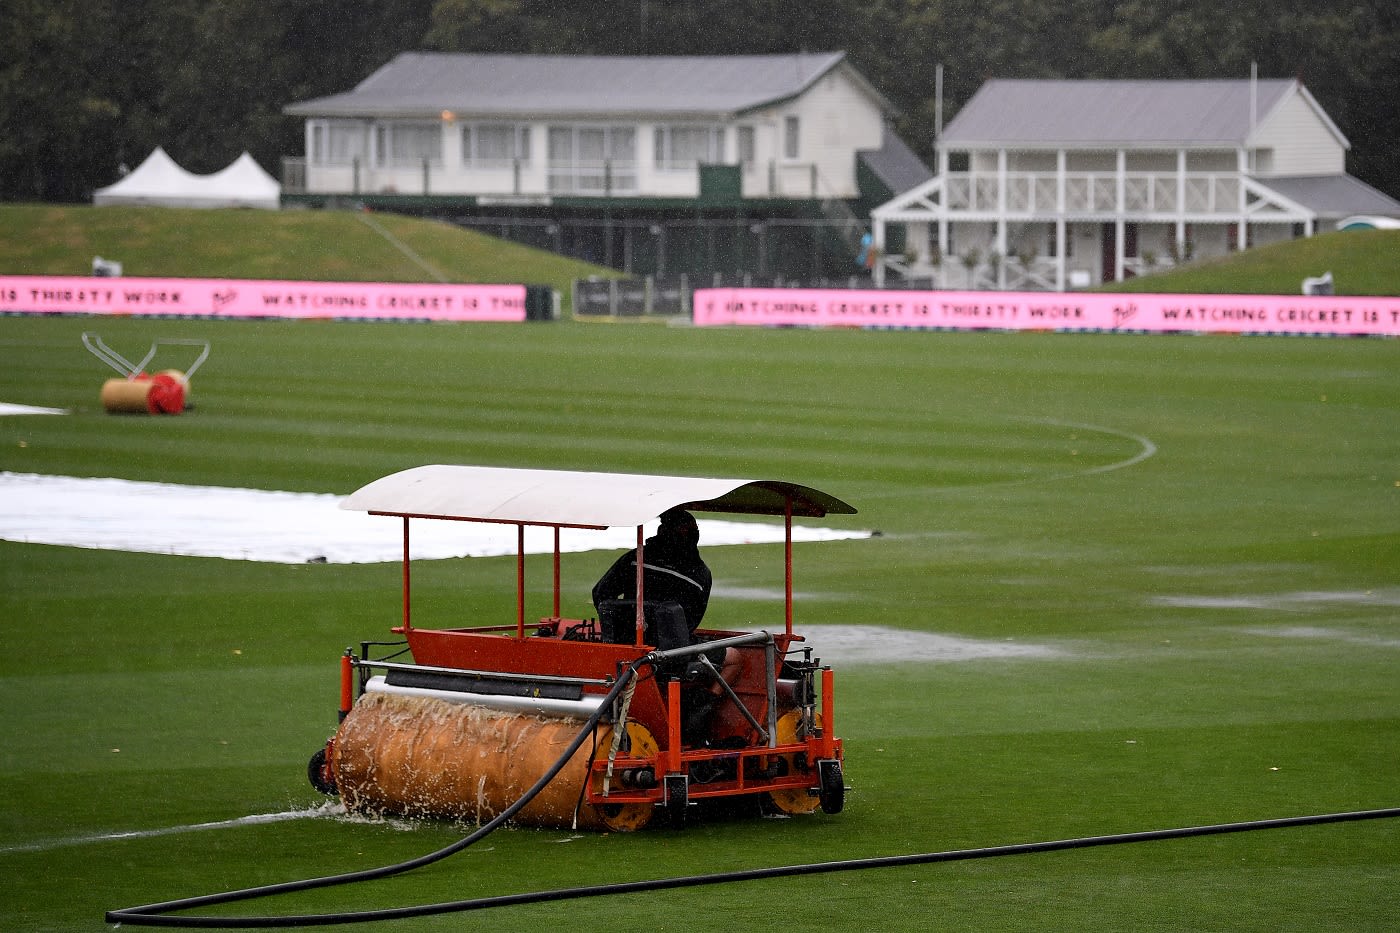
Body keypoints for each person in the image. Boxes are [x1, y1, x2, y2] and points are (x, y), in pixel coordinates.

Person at [592, 508, 711, 638]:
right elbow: (692, 620)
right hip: (673, 648)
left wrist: (620, 630)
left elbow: (601, 593)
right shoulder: (700, 573)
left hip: (630, 638)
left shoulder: (636, 558)